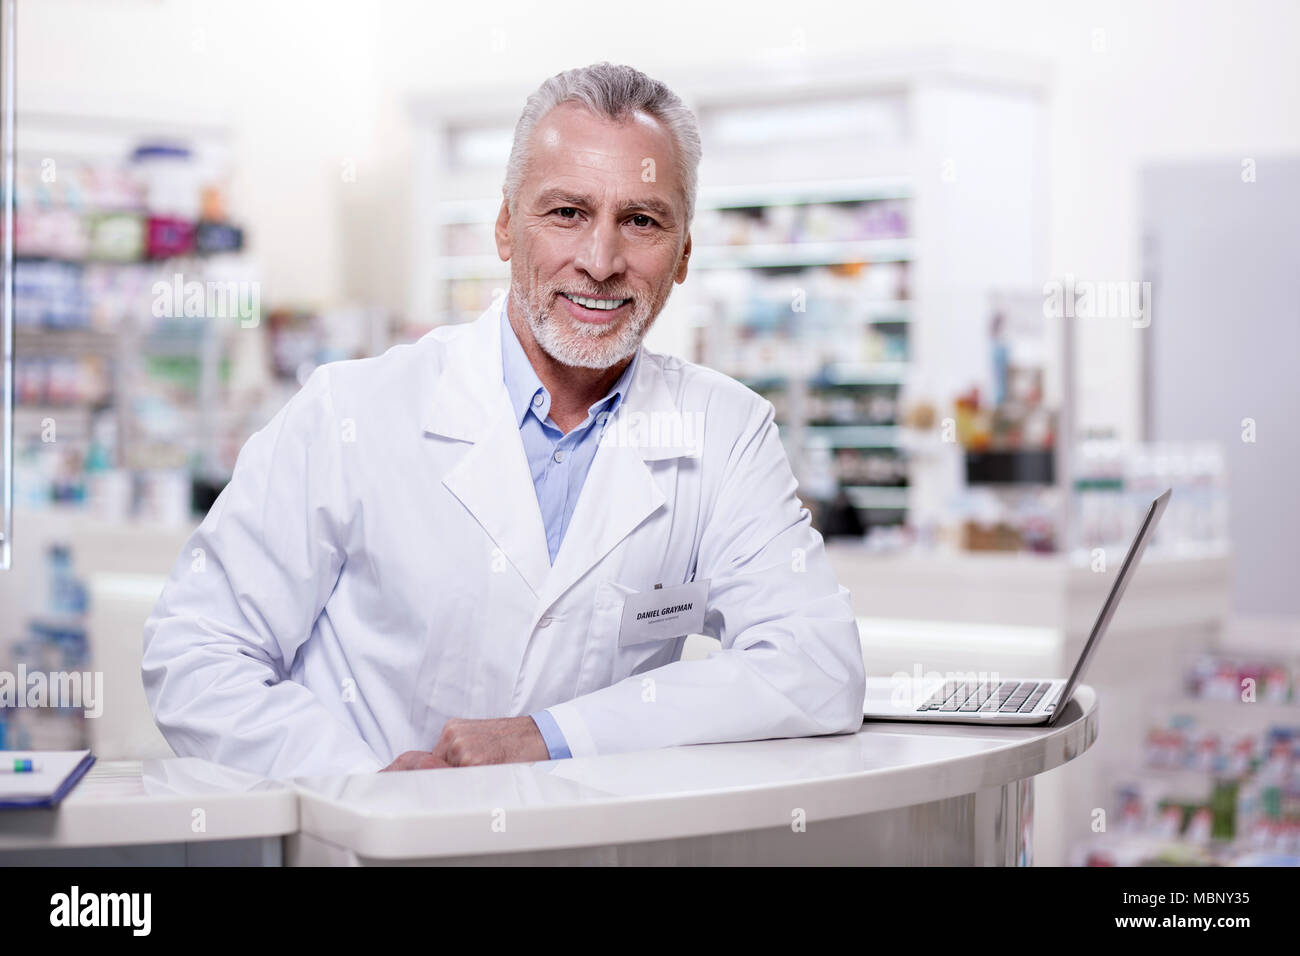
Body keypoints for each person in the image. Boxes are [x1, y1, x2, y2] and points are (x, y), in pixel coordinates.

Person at [142, 62, 866, 778]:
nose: (600, 258)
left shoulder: (725, 432)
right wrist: (359, 788)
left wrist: (550, 736)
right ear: (504, 228)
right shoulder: (351, 412)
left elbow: (816, 665)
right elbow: (198, 650)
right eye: (567, 212)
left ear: (682, 254)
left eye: (641, 221)